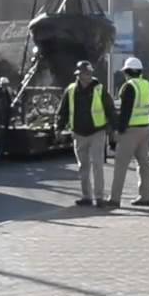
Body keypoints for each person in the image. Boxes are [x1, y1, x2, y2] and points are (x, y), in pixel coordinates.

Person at [56, 60, 116, 207]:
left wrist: (113, 128)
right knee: (83, 167)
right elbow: (62, 111)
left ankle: (99, 197)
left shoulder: (99, 89)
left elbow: (110, 109)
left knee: (97, 165)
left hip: (97, 132)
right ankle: (86, 197)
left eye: (90, 74)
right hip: (78, 133)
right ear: (79, 74)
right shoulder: (70, 90)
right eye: (85, 74)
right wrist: (58, 127)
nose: (88, 76)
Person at [108, 57, 149, 208]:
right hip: (145, 129)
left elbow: (125, 112)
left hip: (130, 131)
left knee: (121, 166)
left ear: (127, 72)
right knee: (144, 165)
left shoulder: (128, 87)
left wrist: (118, 132)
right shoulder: (147, 85)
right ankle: (145, 197)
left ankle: (115, 199)